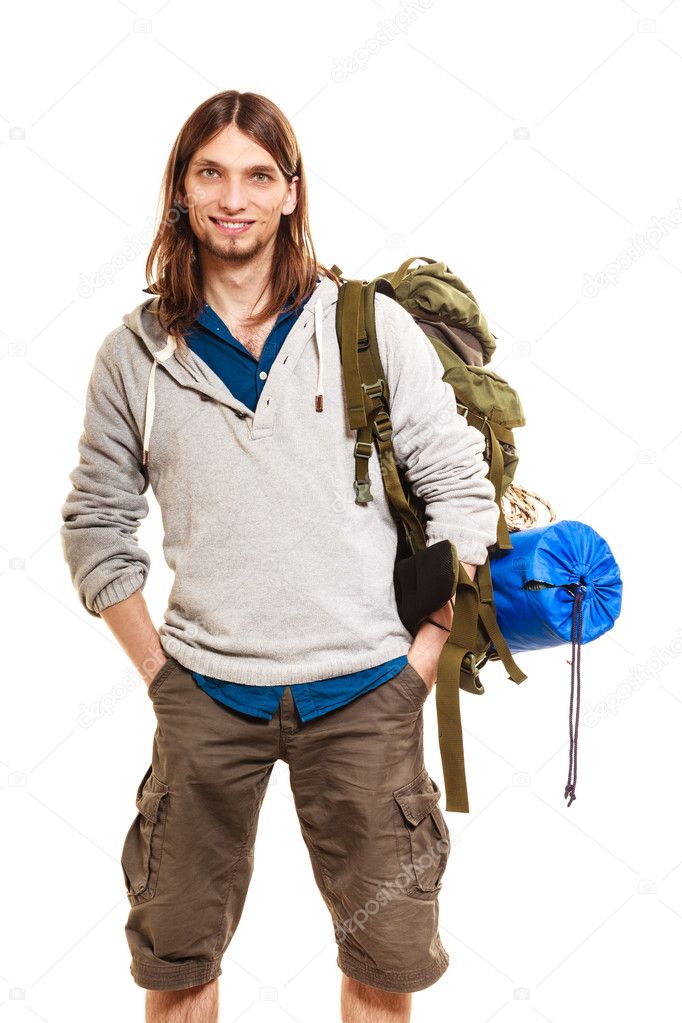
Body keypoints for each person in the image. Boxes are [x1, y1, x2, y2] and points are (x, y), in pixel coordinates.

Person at [60, 90, 499, 1023]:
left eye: (259, 175)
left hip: (366, 693)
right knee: (176, 962)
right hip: (206, 697)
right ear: (181, 192)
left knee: (387, 962)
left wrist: (419, 661)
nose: (235, 197)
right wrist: (158, 672)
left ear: (292, 193)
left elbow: (461, 487)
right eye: (211, 172)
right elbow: (97, 522)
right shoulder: (134, 355)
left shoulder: (366, 328)